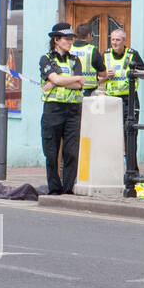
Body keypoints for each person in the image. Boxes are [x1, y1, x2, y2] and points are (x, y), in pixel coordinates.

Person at [39, 23, 87, 195]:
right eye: (67, 39)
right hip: (53, 110)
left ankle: (67, 189)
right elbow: (58, 80)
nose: (70, 42)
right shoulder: (46, 59)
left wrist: (58, 80)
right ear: (56, 40)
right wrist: (66, 80)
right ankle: (54, 188)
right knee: (51, 152)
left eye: (71, 38)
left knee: (71, 152)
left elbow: (79, 83)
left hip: (73, 110)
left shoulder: (75, 60)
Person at [103, 28, 144, 196]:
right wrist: (105, 76)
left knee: (130, 136)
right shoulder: (105, 55)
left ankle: (132, 172)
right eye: (112, 40)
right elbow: (96, 79)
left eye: (118, 40)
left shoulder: (132, 54)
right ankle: (112, 173)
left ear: (124, 41)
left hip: (129, 100)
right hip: (111, 101)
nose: (114, 43)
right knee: (112, 138)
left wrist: (133, 73)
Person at [72, 20, 107, 96]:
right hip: (89, 92)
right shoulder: (92, 50)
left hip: (71, 90)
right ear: (88, 35)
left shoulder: (69, 49)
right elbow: (103, 74)